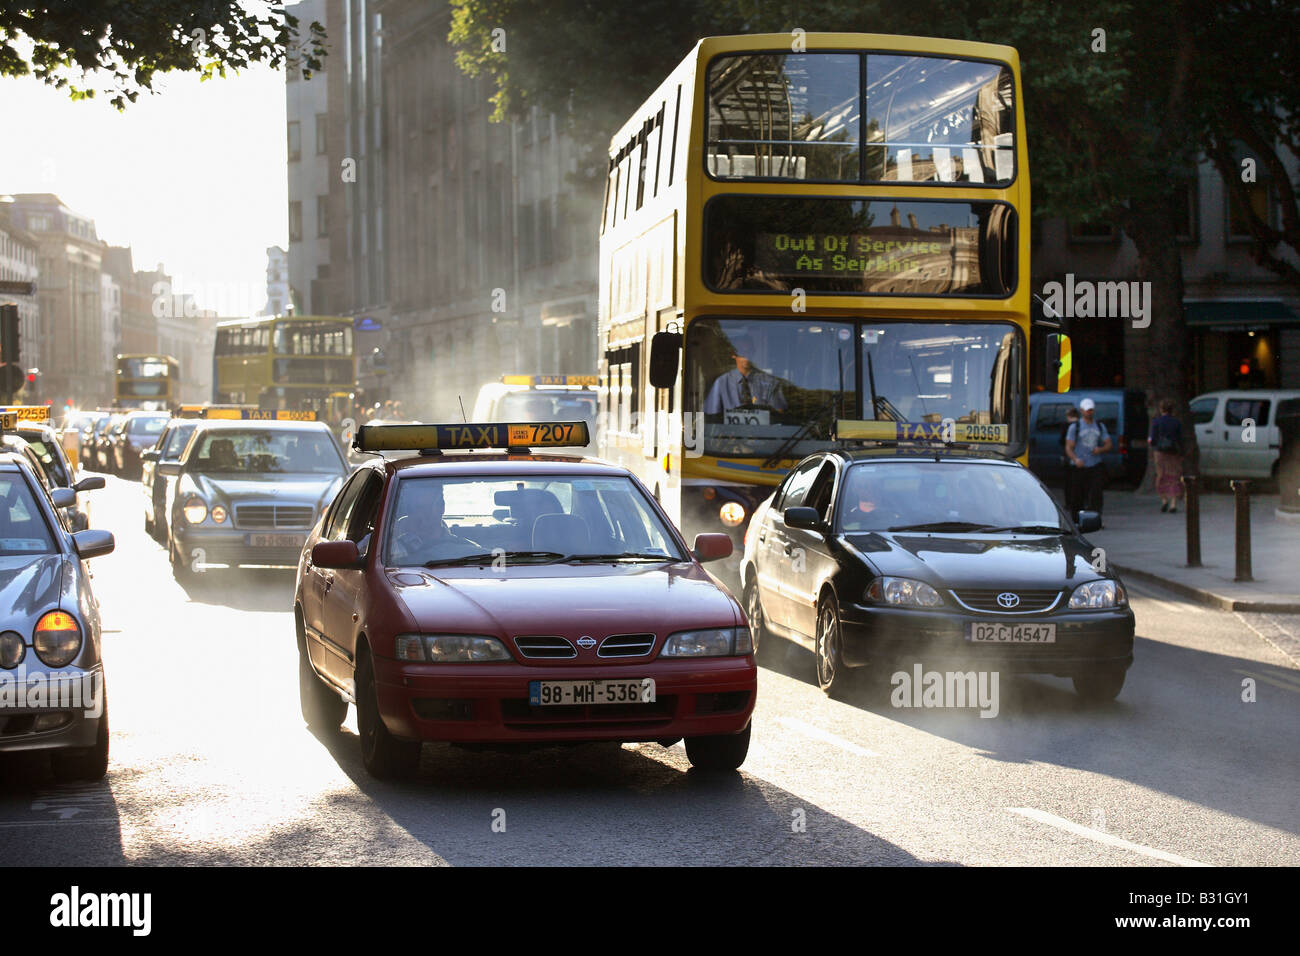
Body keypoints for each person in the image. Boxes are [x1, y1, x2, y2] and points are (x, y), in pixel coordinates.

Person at [389, 481, 480, 563]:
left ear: (442, 507)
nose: (423, 514)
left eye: (428, 508)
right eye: (417, 508)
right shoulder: (391, 551)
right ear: (409, 512)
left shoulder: (468, 551)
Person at [704, 332, 788, 415]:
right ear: (733, 354)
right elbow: (711, 415)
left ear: (754, 351)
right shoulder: (721, 383)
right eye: (741, 351)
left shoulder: (769, 383)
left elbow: (779, 414)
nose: (746, 355)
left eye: (749, 351)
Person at [1065, 397, 1113, 524]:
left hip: (1095, 464)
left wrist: (1100, 449)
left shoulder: (1099, 426)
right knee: (1077, 494)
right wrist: (1075, 459)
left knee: (1096, 493)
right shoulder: (1075, 427)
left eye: (1091, 410)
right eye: (1087, 410)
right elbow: (1069, 447)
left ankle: (1095, 518)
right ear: (1081, 411)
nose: (1089, 412)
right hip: (1079, 465)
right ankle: (1076, 520)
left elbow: (1108, 443)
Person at [1149, 398, 1184, 513]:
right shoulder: (1176, 422)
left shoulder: (1156, 422)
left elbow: (1153, 440)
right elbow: (1180, 439)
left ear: (1161, 409)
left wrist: (1152, 442)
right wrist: (1181, 452)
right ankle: (1173, 503)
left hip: (1160, 452)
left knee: (1161, 475)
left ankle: (1164, 500)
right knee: (1174, 476)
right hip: (1173, 452)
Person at [1058, 406, 1081, 522]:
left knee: (1068, 482)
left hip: (1069, 458)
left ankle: (1069, 502)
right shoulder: (1080, 425)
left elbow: (1062, 441)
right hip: (1080, 458)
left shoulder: (1067, 426)